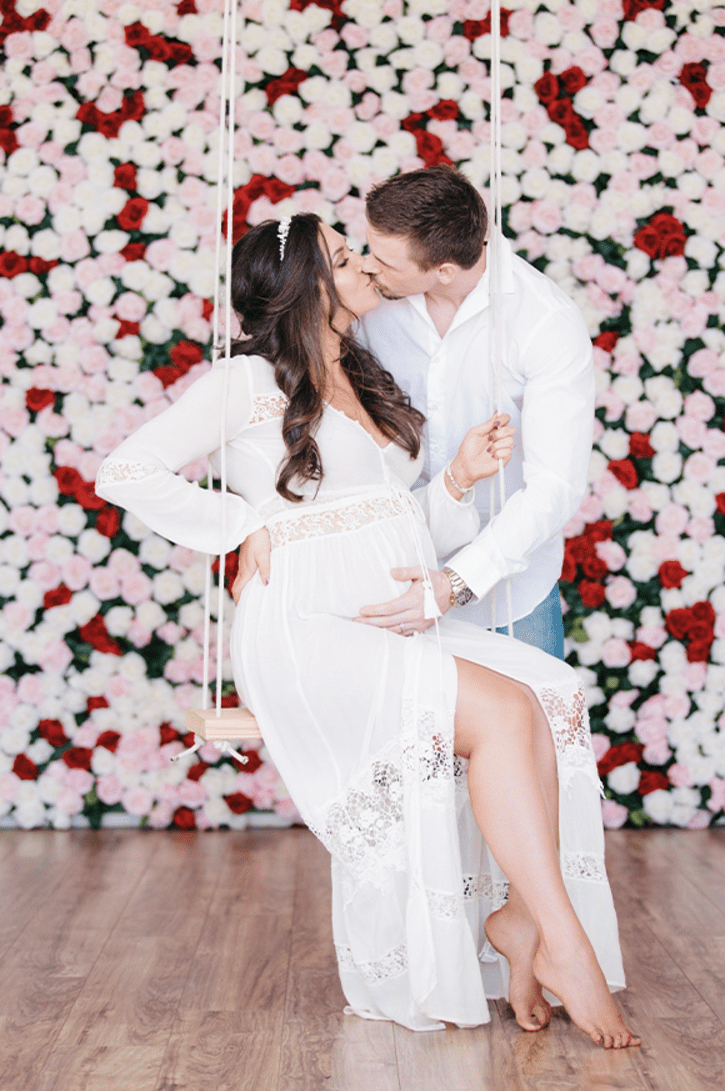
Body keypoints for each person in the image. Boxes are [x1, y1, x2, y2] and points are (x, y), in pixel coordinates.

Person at [95, 213, 638, 1047]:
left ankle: (523, 922)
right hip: (311, 626)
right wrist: (240, 523)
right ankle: (562, 944)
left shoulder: (359, 368)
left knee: (546, 688)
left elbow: (393, 522)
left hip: (388, 617)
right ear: (306, 285)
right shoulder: (246, 384)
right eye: (346, 260)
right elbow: (125, 469)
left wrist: (456, 477)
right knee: (499, 714)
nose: (366, 271)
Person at [236, 166, 594, 657]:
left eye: (382, 260)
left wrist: (455, 582)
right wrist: (249, 517)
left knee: (534, 725)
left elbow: (556, 487)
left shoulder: (544, 322)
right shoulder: (367, 301)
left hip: (507, 589)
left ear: (443, 270)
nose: (365, 265)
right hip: (379, 579)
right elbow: (275, 395)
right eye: (364, 248)